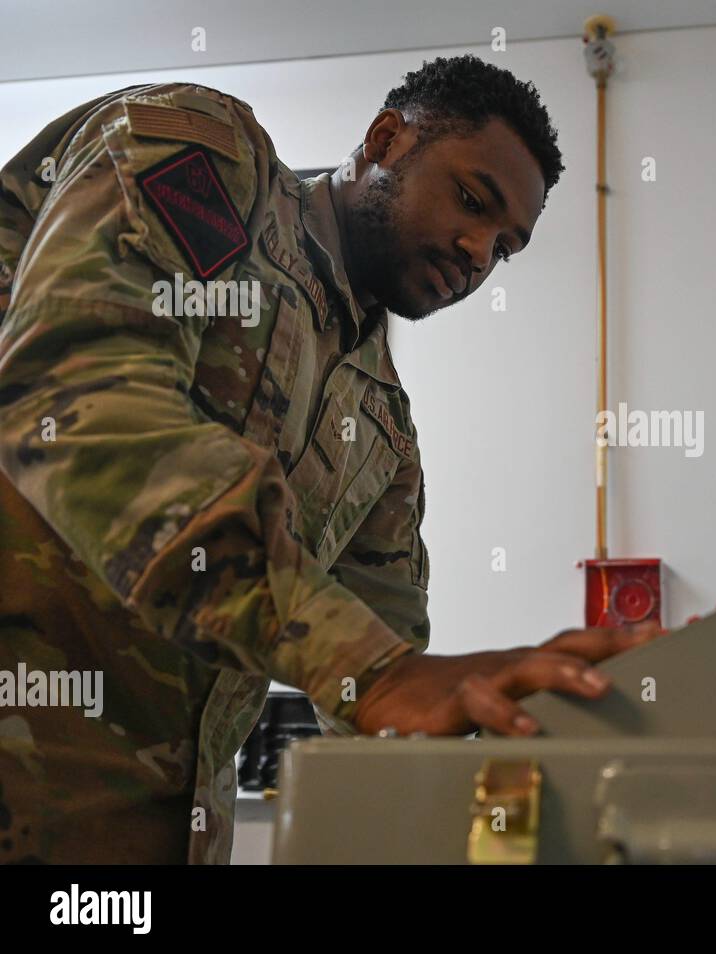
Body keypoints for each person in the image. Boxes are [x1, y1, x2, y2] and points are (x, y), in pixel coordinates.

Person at [0, 55, 661, 864]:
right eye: (471, 200)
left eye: (507, 246)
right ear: (386, 139)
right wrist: (372, 672)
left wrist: (532, 769)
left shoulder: (382, 427)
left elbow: (394, 686)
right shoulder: (213, 160)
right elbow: (73, 392)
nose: (478, 251)